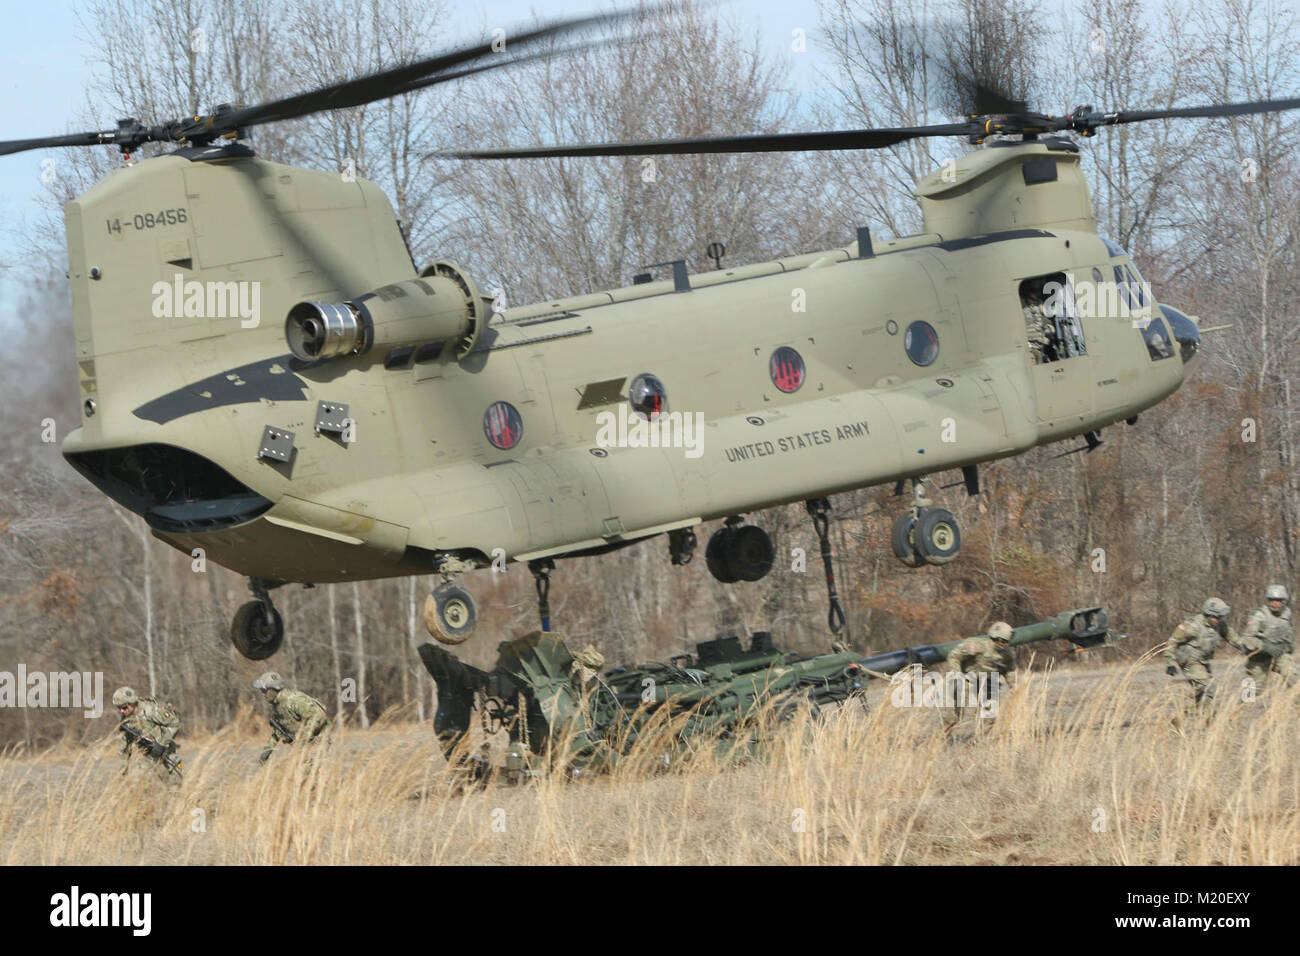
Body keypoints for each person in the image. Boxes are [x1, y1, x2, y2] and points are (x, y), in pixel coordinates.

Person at [1165, 597, 1240, 705]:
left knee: (1206, 697)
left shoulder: (1219, 625)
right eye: (1216, 617)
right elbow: (1173, 641)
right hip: (1190, 662)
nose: (1219, 619)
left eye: (1221, 617)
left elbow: (1233, 638)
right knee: (1208, 687)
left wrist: (1248, 648)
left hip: (1204, 662)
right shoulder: (1192, 625)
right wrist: (1170, 662)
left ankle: (1185, 714)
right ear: (1208, 614)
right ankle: (1206, 718)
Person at [944, 621, 1015, 730]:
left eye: (1007, 642)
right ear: (996, 639)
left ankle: (982, 741)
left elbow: (1009, 669)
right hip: (966, 679)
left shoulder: (1007, 653)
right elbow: (954, 656)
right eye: (1003, 641)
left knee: (990, 716)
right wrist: (957, 674)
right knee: (953, 715)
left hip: (988, 682)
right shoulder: (977, 646)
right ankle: (940, 739)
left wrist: (1014, 686)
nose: (1006, 644)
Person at [252, 672, 329, 763]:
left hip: (317, 745)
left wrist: (303, 739)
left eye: (264, 690)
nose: (263, 694)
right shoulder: (277, 707)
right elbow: (277, 733)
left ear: (275, 689)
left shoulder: (293, 700)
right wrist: (265, 754)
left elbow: (318, 716)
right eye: (261, 691)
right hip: (303, 749)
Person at [113, 686, 182, 780]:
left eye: (124, 707)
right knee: (138, 780)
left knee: (175, 785)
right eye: (119, 708)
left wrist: (161, 744)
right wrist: (123, 770)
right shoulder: (127, 719)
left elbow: (175, 723)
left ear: (133, 703)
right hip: (149, 756)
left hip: (168, 753)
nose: (122, 711)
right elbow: (125, 746)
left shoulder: (150, 710)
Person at [1236, 585, 1294, 692]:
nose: (1275, 603)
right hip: (1260, 657)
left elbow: (1288, 632)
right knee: (1251, 692)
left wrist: (1290, 649)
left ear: (1283, 601)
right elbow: (1247, 639)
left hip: (1279, 655)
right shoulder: (1259, 616)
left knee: (1294, 677)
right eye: (1272, 600)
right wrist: (1266, 647)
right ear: (1268, 600)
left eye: (1278, 600)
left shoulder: (1286, 613)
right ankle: (1238, 708)